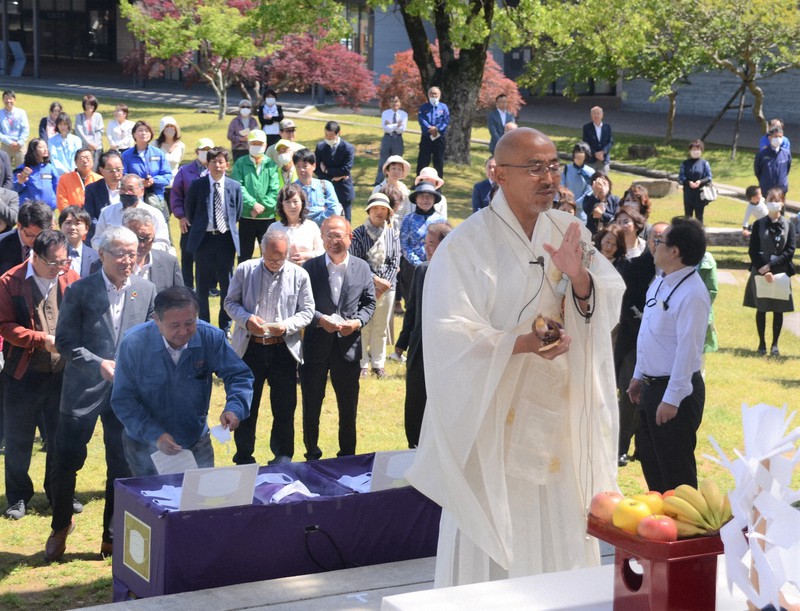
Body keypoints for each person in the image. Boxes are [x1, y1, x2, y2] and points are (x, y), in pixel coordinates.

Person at [404, 127, 623, 587]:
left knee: (560, 515)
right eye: (535, 168)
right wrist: (520, 343)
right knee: (500, 527)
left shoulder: (568, 230)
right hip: (495, 418)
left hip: (556, 415)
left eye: (554, 166)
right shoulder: (466, 244)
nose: (549, 178)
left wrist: (580, 278)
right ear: (498, 175)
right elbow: (448, 332)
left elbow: (606, 296)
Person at [47, 226, 156, 561]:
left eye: (133, 252)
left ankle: (111, 535)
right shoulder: (80, 290)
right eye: (121, 253)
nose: (128, 260)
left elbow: (151, 337)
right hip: (82, 389)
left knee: (120, 463)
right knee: (67, 461)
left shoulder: (146, 289)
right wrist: (98, 365)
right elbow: (65, 342)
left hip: (126, 393)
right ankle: (61, 525)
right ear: (103, 254)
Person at [112, 286, 254, 476]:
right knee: (151, 501)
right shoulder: (134, 343)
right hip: (144, 444)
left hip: (195, 440)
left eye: (190, 323)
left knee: (201, 500)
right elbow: (123, 399)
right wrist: (156, 436)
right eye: (174, 325)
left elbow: (239, 375)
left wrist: (234, 408)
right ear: (156, 320)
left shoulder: (210, 337)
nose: (183, 331)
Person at [0, 230, 80, 521]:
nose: (61, 267)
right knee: (19, 439)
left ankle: (58, 493)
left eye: (65, 261)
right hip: (23, 374)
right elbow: (4, 325)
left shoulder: (70, 277)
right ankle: (18, 496)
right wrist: (40, 339)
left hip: (62, 373)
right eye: (54, 263)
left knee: (60, 439)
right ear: (35, 256)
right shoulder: (10, 281)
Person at [627, 217, 710, 493]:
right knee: (650, 461)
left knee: (677, 475)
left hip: (674, 392)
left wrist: (672, 399)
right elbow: (649, 334)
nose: (654, 245)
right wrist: (639, 375)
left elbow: (688, 350)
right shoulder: (661, 280)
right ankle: (662, 529)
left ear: (675, 252)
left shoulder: (693, 293)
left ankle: (686, 535)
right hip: (652, 387)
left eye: (660, 242)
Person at [224, 231, 314, 465]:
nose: (275, 263)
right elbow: (229, 302)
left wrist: (286, 326)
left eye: (281, 258)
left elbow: (307, 311)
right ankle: (243, 457)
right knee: (247, 405)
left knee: (284, 407)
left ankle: (283, 457)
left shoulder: (299, 274)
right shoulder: (245, 270)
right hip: (250, 348)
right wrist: (246, 319)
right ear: (262, 251)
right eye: (271, 258)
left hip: (283, 349)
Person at [301, 216, 376, 460]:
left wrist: (357, 322)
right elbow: (301, 305)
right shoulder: (310, 268)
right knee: (311, 404)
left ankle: (347, 456)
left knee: (348, 406)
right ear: (321, 238)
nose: (334, 241)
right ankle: (311, 453)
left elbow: (369, 303)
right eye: (329, 236)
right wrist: (321, 319)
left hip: (348, 347)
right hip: (316, 347)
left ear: (349, 238)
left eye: (339, 236)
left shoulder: (362, 267)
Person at [614, 222, 667, 467]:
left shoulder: (674, 271)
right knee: (629, 395)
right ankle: (620, 446)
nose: (659, 242)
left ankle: (645, 447)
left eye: (664, 238)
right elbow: (626, 306)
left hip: (664, 348)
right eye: (655, 237)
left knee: (656, 395)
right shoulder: (634, 267)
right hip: (634, 342)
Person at [395, 221, 451, 448]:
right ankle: (414, 444)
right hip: (420, 346)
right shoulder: (421, 270)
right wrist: (402, 342)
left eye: (431, 244)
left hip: (446, 348)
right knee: (416, 397)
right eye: (425, 244)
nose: (427, 249)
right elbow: (412, 310)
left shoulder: (458, 272)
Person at [185, 147, 242, 331]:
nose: (217, 165)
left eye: (220, 162)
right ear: (207, 165)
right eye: (213, 162)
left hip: (225, 240)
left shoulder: (234, 186)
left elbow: (237, 212)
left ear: (227, 164)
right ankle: (203, 325)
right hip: (204, 240)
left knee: (227, 285)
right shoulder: (197, 185)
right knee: (201, 284)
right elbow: (190, 212)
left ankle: (225, 327)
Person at [349, 193, 401, 379]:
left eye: (383, 209)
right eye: (375, 208)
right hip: (363, 287)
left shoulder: (392, 234)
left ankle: (378, 364)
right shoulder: (357, 234)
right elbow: (355, 262)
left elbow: (394, 261)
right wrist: (374, 282)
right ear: (369, 211)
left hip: (388, 287)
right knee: (363, 326)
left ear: (388, 212)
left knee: (381, 327)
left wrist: (383, 285)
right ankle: (362, 363)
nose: (379, 212)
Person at [743, 188, 795, 356]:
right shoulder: (759, 223)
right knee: (762, 307)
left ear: (783, 202)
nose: (774, 202)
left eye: (777, 200)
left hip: (780, 272)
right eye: (771, 199)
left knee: (778, 308)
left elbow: (790, 250)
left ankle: (775, 345)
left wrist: (771, 266)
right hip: (760, 271)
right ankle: (762, 344)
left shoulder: (789, 224)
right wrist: (763, 269)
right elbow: (753, 250)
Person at [171, 138, 213, 289]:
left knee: (209, 254)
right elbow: (176, 195)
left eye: (209, 150)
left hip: (209, 221)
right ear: (196, 152)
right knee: (188, 254)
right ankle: (187, 285)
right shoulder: (185, 171)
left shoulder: (215, 170)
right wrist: (181, 215)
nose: (206, 153)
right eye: (203, 150)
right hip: (189, 220)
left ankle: (210, 286)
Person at [231, 129, 279, 262]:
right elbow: (238, 186)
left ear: (265, 145)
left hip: (267, 217)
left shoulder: (271, 164)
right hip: (247, 216)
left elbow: (274, 190)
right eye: (254, 143)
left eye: (260, 143)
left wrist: (261, 206)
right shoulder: (240, 163)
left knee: (269, 255)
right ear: (248, 144)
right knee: (244, 256)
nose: (257, 146)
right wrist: (252, 204)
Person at [92, 174, 170, 252]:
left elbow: (163, 243)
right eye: (122, 189)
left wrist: (140, 250)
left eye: (130, 189)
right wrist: (112, 249)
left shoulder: (154, 214)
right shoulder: (107, 212)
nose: (126, 193)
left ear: (142, 191)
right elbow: (96, 240)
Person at [399, 182, 447, 303]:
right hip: (412, 266)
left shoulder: (441, 220)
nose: (425, 200)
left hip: (435, 265)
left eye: (429, 196)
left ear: (434, 199)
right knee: (412, 300)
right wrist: (417, 263)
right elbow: (404, 243)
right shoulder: (408, 219)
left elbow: (445, 244)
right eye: (422, 196)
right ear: (416, 199)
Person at [122, 207, 183, 293]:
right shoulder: (107, 265)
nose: (141, 245)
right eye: (136, 239)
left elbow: (180, 301)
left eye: (147, 238)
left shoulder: (169, 263)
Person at [121, 120, 172, 221]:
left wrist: (153, 181)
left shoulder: (158, 153)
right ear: (134, 134)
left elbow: (167, 176)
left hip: (156, 198)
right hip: (134, 199)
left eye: (147, 130)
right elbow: (123, 176)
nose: (144, 133)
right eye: (140, 130)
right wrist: (139, 182)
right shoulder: (126, 155)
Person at [269, 184, 324, 264]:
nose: (292, 206)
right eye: (287, 202)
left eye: (295, 201)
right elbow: (267, 254)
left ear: (302, 202)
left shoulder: (312, 226)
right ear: (282, 205)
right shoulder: (274, 228)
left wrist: (307, 256)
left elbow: (321, 251)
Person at [314, 121, 355, 221]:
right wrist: (332, 177)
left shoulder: (347, 148)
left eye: (331, 136)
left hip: (343, 189)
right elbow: (317, 169)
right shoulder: (320, 147)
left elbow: (345, 169)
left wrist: (327, 170)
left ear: (338, 133)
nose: (328, 138)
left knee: (345, 220)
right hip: (324, 188)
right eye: (326, 135)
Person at [0, 201, 53, 275]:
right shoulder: (2, 243)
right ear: (19, 225)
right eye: (30, 235)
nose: (35, 240)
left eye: (40, 235)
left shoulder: (52, 244)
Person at [293, 148, 342, 225]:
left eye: (305, 166)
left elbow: (335, 210)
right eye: (298, 166)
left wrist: (310, 220)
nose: (301, 170)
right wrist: (320, 210)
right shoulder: (291, 189)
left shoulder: (325, 185)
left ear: (314, 166)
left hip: (323, 233)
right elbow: (290, 214)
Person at [84, 150, 124, 243]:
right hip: (101, 238)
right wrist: (108, 236)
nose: (116, 174)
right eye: (111, 171)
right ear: (102, 170)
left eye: (119, 169)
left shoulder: (129, 187)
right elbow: (90, 218)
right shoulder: (92, 189)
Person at [13, 138, 58, 209]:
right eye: (41, 147)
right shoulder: (22, 168)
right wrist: (20, 183)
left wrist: (55, 202)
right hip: (30, 211)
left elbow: (56, 186)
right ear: (33, 150)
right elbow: (14, 190)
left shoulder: (50, 168)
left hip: (48, 210)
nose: (45, 149)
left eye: (46, 147)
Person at [416, 87, 450, 179]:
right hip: (426, 137)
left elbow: (446, 121)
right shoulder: (424, 107)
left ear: (439, 95)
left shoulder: (444, 107)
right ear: (428, 95)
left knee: (438, 161)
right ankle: (419, 181)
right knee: (423, 161)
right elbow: (421, 120)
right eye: (431, 93)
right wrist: (430, 128)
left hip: (439, 138)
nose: (433, 95)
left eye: (436, 94)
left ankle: (438, 182)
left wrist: (437, 128)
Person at [58, 206, 99, 277]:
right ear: (60, 227)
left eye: (77, 223)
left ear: (86, 228)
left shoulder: (96, 257)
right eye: (68, 223)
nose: (73, 227)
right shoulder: (53, 254)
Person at [679, 139, 713, 223]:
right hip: (688, 193)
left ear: (701, 150)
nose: (695, 151)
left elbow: (709, 177)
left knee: (699, 217)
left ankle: (700, 234)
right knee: (687, 216)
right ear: (690, 150)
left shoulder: (705, 163)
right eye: (693, 149)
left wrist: (700, 182)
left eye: (697, 149)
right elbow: (681, 177)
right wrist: (688, 182)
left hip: (700, 193)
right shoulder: (685, 163)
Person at [376, 96, 408, 185]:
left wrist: (391, 125)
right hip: (387, 138)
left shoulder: (404, 114)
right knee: (383, 160)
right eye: (392, 102)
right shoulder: (385, 113)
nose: (395, 104)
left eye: (396, 102)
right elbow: (386, 129)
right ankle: (379, 180)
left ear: (400, 103)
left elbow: (401, 129)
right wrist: (397, 124)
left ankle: (397, 180)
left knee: (398, 160)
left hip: (398, 138)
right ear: (390, 103)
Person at [157, 116, 184, 214]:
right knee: (163, 213)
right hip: (159, 185)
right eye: (167, 126)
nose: (170, 129)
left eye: (172, 126)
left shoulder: (181, 146)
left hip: (175, 185)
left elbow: (179, 161)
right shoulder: (155, 145)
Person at [373, 155, 411, 224]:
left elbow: (408, 211)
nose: (396, 172)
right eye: (393, 168)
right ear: (387, 171)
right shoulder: (378, 189)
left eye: (399, 169)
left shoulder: (404, 189)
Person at [755, 124, 792, 196]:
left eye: (780, 137)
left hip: (781, 191)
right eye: (775, 136)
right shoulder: (762, 154)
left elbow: (787, 169)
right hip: (766, 190)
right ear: (770, 137)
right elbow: (757, 171)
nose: (778, 139)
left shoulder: (786, 153)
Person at [561, 141, 594, 221]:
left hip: (581, 213)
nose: (577, 154)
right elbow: (561, 185)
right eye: (576, 151)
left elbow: (589, 192)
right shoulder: (567, 168)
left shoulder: (590, 172)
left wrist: (576, 204)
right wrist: (568, 203)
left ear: (586, 154)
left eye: (581, 152)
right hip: (565, 210)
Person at [48, 113, 83, 178]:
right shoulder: (51, 141)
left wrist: (73, 171)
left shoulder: (77, 140)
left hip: (75, 174)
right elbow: (54, 159)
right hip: (59, 175)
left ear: (68, 125)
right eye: (60, 124)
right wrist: (64, 171)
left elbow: (77, 157)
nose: (62, 127)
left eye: (65, 124)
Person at [0, 91, 30, 167]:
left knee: (21, 169)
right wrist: (9, 142)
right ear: (3, 100)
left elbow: (25, 129)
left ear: (14, 100)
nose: (8, 101)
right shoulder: (0, 114)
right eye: (6, 99)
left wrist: (19, 142)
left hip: (20, 145)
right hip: (6, 144)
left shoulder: (21, 113)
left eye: (10, 99)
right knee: (3, 170)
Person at [74, 94, 104, 171]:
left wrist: (94, 144)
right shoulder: (79, 117)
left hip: (97, 147)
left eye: (92, 104)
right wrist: (89, 144)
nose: (90, 106)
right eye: (87, 104)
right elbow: (79, 131)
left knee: (96, 169)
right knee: (86, 168)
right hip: (84, 147)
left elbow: (100, 131)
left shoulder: (98, 116)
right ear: (84, 105)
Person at [582, 105, 613, 173]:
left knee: (603, 181)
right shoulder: (586, 127)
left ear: (602, 115)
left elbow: (610, 142)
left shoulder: (607, 127)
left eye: (598, 113)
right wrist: (595, 153)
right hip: (591, 161)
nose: (596, 116)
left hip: (603, 160)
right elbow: (585, 144)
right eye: (594, 114)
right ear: (591, 115)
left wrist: (603, 152)